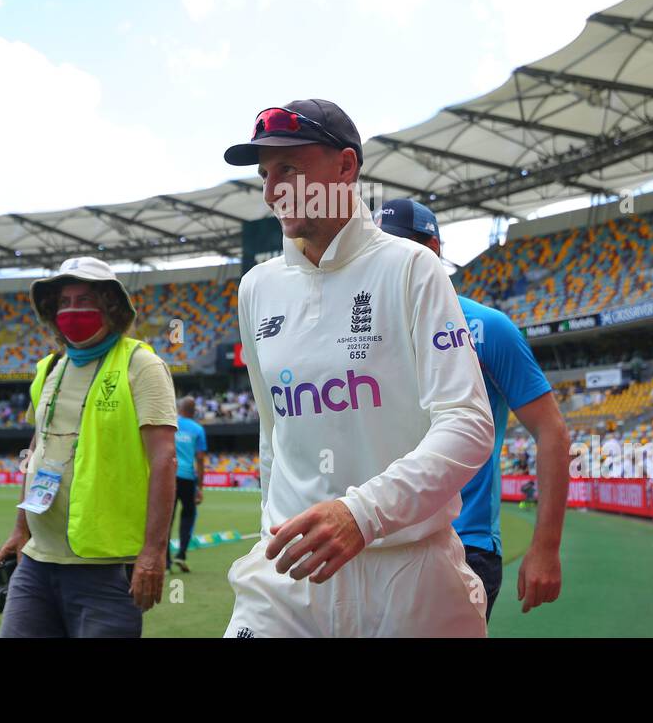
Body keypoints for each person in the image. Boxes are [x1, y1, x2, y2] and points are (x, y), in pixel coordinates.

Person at [220, 100, 494, 638]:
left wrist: (361, 514)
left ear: (346, 168)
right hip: (289, 574)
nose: (272, 190)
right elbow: (274, 432)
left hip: (409, 574)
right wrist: (268, 528)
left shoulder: (412, 267)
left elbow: (468, 421)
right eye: (265, 176)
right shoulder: (257, 288)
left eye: (288, 170)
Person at [375, 198, 568, 620]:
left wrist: (546, 546)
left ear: (432, 249)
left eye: (401, 248)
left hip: (467, 544)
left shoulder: (487, 327)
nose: (388, 262)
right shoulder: (367, 337)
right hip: (382, 539)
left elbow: (551, 430)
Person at [0, 257, 179, 638]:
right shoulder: (49, 368)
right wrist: (19, 527)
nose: (72, 311)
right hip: (37, 561)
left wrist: (153, 553)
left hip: (107, 567)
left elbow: (164, 458)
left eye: (84, 300)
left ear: (110, 305)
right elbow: (37, 446)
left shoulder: (141, 365)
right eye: (64, 302)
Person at [167, 396, 207, 574]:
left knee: (167, 519)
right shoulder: (198, 429)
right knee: (188, 515)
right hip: (187, 478)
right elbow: (200, 459)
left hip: (169, 475)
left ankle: (165, 562)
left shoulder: (170, 424)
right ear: (194, 411)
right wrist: (200, 487)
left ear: (179, 408)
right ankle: (181, 554)